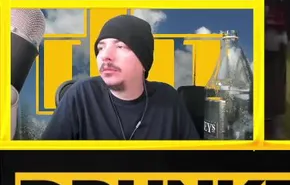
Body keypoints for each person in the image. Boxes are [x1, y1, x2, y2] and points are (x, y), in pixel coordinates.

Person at [41, 14, 201, 140]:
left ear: (144, 61)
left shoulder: (168, 99)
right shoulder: (80, 95)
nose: (105, 56)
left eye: (120, 46)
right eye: (100, 48)